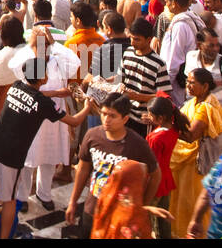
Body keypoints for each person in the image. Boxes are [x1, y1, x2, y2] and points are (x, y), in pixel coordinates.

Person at [0, 56, 94, 240]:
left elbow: (36, 97)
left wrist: (57, 93)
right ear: (42, 78)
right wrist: (87, 106)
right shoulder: (44, 104)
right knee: (8, 200)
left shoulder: (16, 86)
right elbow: (74, 121)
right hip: (12, 155)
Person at [65, 92, 160, 237]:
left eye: (112, 116)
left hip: (119, 215)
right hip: (92, 209)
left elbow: (155, 175)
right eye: (103, 114)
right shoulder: (92, 136)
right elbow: (83, 170)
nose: (106, 120)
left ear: (125, 119)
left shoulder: (137, 144)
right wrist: (73, 201)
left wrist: (140, 206)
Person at [168, 68, 222, 239]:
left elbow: (190, 136)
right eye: (187, 81)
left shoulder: (205, 108)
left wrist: (167, 128)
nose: (188, 85)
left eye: (192, 82)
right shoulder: (194, 102)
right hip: (187, 160)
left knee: (191, 201)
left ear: (205, 85)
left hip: (196, 163)